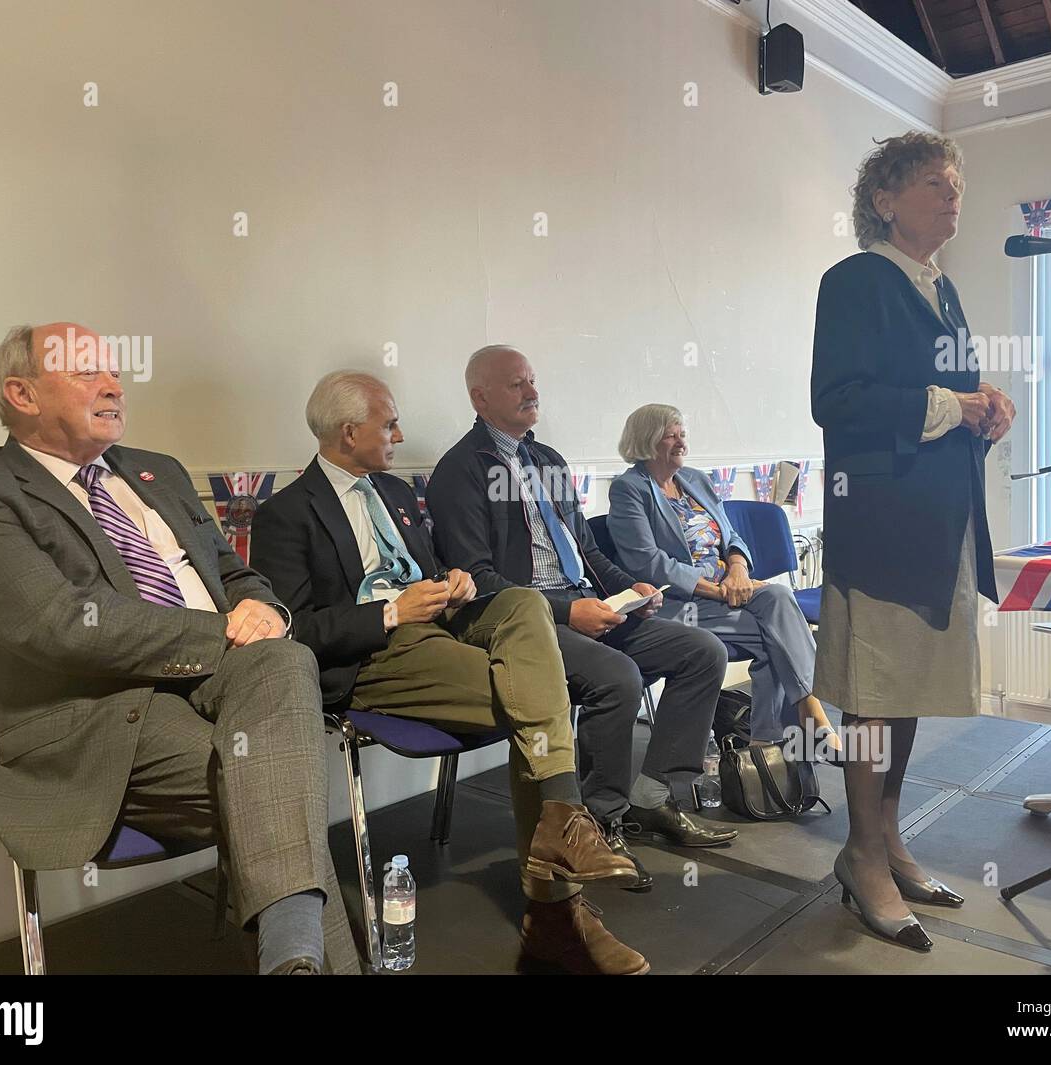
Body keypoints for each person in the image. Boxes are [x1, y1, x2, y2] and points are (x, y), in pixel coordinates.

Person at [0, 322, 358, 975]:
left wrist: (263, 609)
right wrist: (224, 631)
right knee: (279, 774)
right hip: (97, 714)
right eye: (86, 371)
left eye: (115, 371)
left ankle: (290, 960)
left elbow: (232, 576)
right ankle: (300, 958)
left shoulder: (161, 472)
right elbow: (61, 625)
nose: (113, 385)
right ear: (21, 393)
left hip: (227, 681)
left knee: (284, 664)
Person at [249, 370, 649, 975]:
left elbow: (431, 569)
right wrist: (389, 612)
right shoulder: (285, 513)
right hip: (377, 654)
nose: (399, 434)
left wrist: (453, 584)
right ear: (349, 431)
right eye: (389, 424)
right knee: (535, 694)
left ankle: (560, 837)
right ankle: (558, 911)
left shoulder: (397, 494)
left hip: (442, 627)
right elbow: (294, 629)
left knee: (526, 603)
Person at [426, 346, 737, 892]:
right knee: (618, 678)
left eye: (533, 381)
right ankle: (600, 822)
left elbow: (585, 547)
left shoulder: (548, 459)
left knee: (701, 652)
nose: (532, 393)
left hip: (584, 604)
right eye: (517, 384)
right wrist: (569, 610)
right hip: (523, 620)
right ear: (479, 397)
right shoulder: (459, 472)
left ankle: (652, 797)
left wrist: (628, 588)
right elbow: (475, 578)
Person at [810, 133, 1015, 951]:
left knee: (909, 686)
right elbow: (841, 400)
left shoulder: (944, 290)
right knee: (873, 689)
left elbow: (944, 405)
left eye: (957, 183)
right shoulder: (857, 281)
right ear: (885, 199)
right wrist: (952, 404)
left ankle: (889, 835)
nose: (953, 195)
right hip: (883, 520)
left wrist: (983, 414)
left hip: (941, 518)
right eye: (935, 182)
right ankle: (859, 852)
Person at [606, 404, 838, 748]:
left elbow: (732, 537)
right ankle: (778, 736)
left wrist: (738, 569)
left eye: (682, 434)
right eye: (671, 435)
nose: (681, 442)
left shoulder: (696, 480)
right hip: (679, 602)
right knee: (777, 639)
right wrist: (718, 591)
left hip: (729, 590)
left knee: (777, 597)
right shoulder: (629, 490)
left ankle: (791, 723)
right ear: (647, 441)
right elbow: (648, 564)